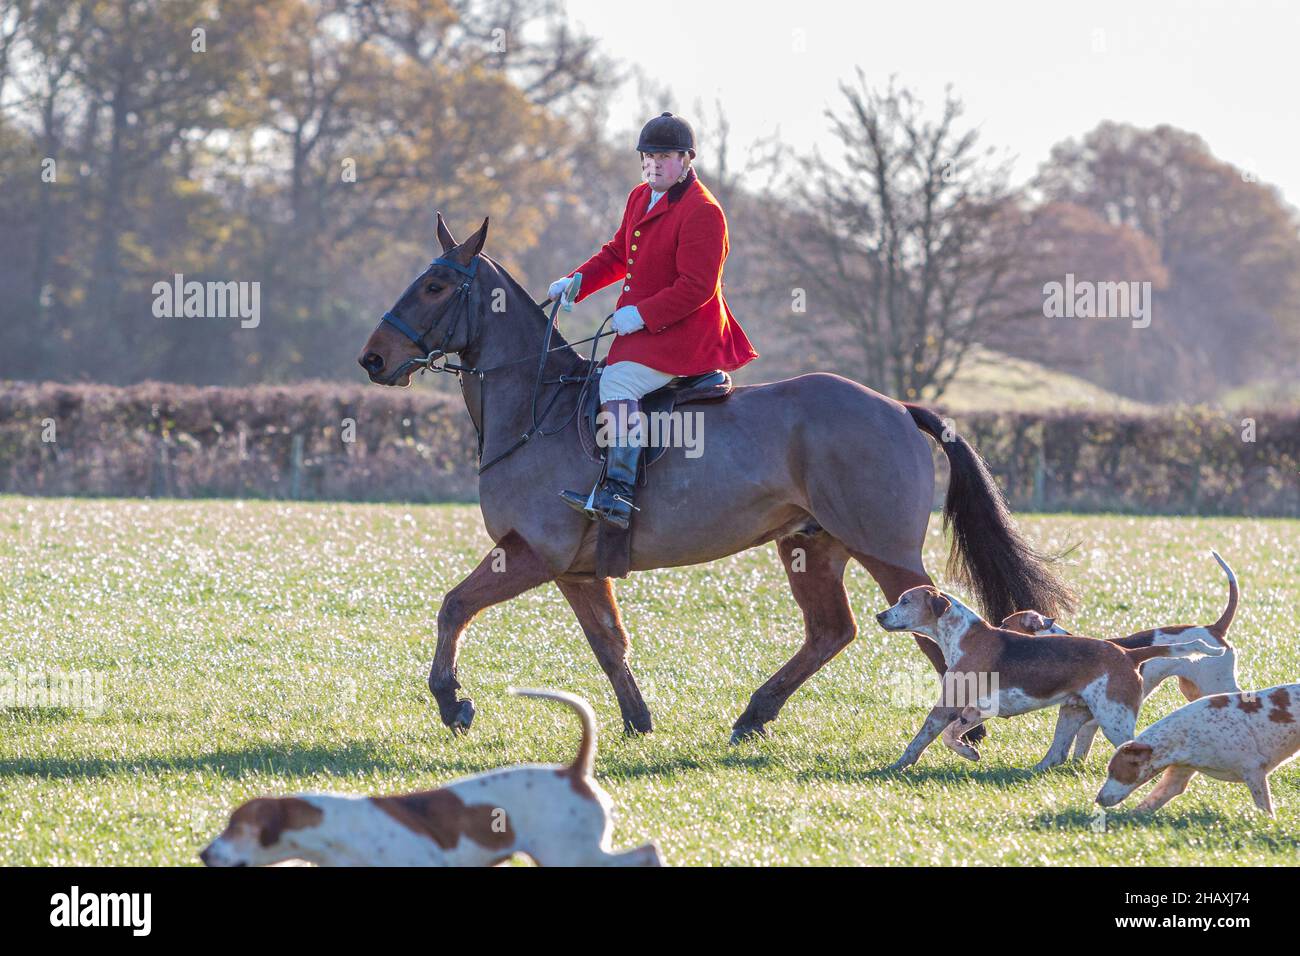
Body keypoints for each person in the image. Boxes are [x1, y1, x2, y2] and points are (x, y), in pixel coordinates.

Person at [551, 111, 759, 529]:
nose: (655, 164)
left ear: (686, 160)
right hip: (648, 331)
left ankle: (618, 493)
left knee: (617, 382)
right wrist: (577, 281)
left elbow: (696, 287)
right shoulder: (639, 197)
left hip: (687, 333)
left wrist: (641, 315)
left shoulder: (703, 211)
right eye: (648, 156)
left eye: (665, 156)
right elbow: (616, 253)